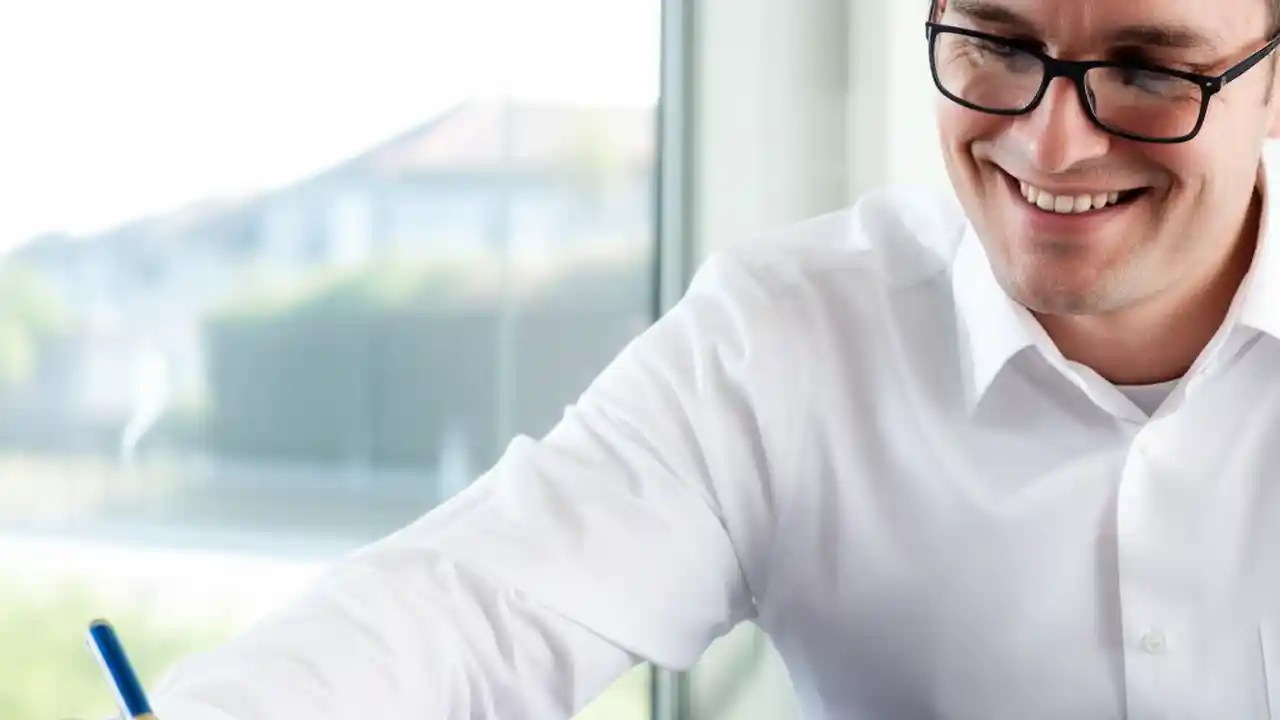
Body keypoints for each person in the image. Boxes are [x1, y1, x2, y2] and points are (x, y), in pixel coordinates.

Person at [150, 0, 1280, 716]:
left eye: (1146, 69)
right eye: (992, 44)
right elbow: (470, 609)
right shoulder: (788, 338)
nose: (1049, 139)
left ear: (1271, 79)